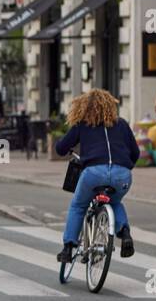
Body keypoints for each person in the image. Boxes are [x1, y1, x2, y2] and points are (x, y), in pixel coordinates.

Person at [54, 88, 138, 261]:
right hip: (122, 174)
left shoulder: (82, 124)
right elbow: (135, 153)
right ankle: (125, 233)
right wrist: (121, 167)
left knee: (78, 206)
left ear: (84, 107)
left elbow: (61, 149)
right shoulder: (121, 124)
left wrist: (62, 143)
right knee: (115, 202)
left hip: (93, 173)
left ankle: (68, 248)